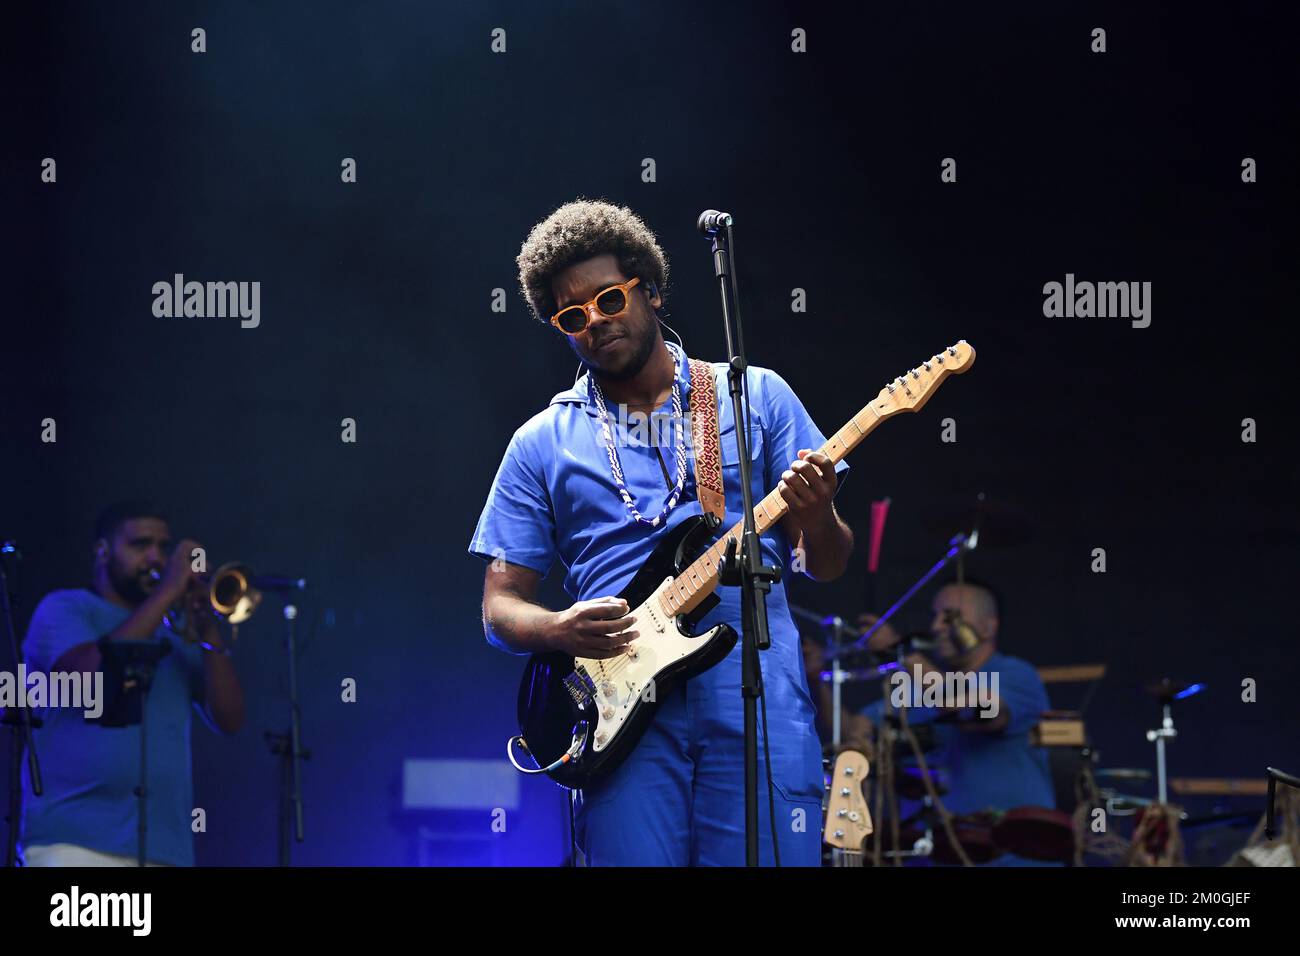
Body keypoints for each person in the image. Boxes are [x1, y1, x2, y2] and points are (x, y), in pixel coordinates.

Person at [469, 199, 854, 865]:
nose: (594, 322)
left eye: (609, 299)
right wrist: (558, 629)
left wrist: (818, 516)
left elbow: (828, 564)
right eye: (572, 316)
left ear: (649, 290)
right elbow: (498, 608)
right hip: (620, 712)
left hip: (750, 692)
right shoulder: (539, 443)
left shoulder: (751, 396)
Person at [20, 501, 245, 866]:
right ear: (102, 551)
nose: (156, 557)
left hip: (163, 848)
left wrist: (207, 627)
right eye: (140, 545)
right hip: (73, 842)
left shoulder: (174, 633)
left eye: (163, 547)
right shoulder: (66, 608)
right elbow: (86, 680)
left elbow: (230, 718)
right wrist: (169, 591)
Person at [807, 578, 1056, 864]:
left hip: (1012, 858)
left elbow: (968, 706)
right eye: (936, 616)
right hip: (936, 855)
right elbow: (851, 730)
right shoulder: (917, 688)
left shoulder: (1016, 675)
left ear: (988, 627)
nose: (937, 627)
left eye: (951, 617)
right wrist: (817, 679)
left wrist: (900, 652)